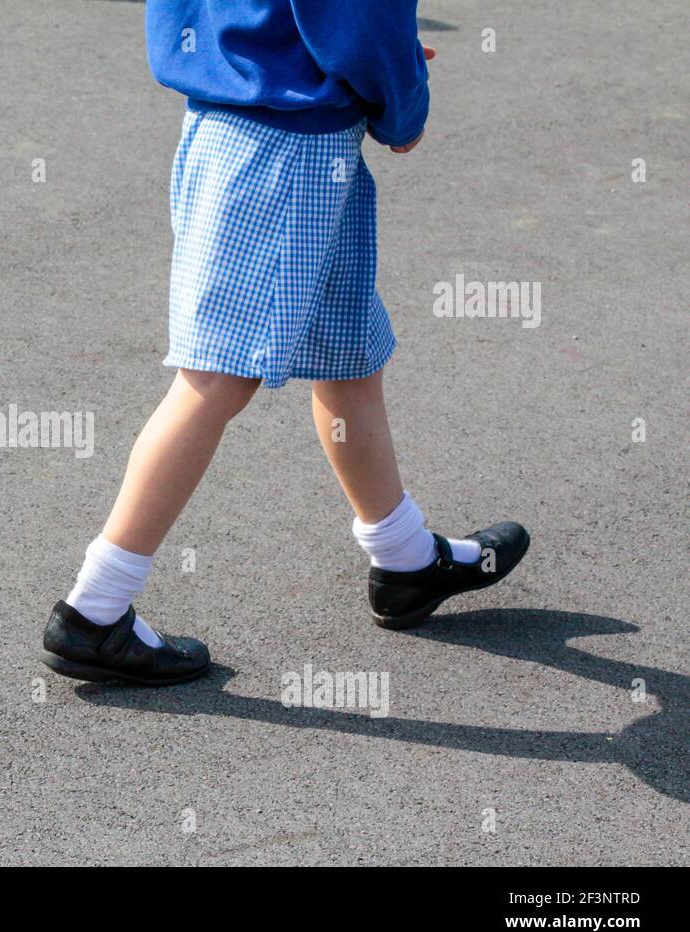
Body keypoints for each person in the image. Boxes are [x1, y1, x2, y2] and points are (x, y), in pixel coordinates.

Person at [39, 1, 529, 686]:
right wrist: (402, 101)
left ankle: (405, 557)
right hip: (290, 140)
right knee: (214, 378)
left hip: (230, 111)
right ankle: (95, 607)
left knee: (347, 353)